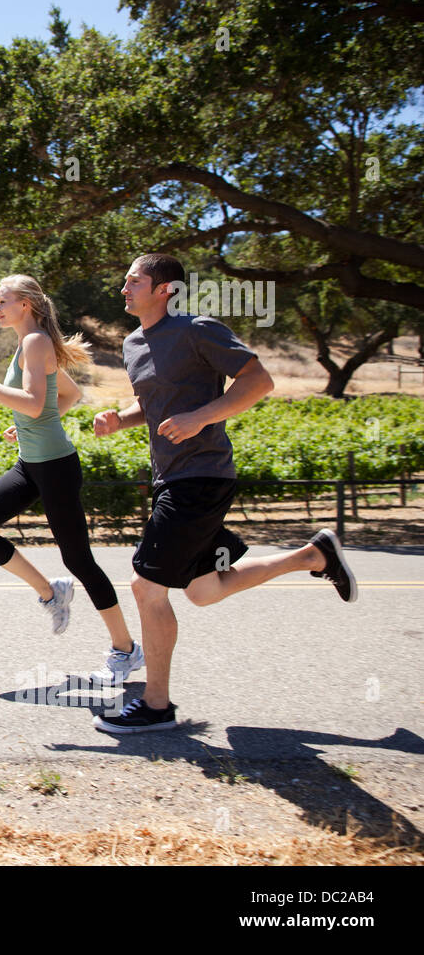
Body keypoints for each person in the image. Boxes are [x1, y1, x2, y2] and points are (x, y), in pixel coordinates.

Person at [91, 253, 357, 734]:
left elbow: (259, 380)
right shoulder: (133, 344)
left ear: (166, 289)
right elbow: (152, 404)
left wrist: (202, 417)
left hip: (201, 476)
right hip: (171, 476)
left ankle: (156, 706)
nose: (124, 288)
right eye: (124, 280)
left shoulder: (197, 329)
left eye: (134, 280)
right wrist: (119, 419)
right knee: (203, 589)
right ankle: (314, 556)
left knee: (145, 586)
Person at [0, 274, 142, 685]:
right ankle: (51, 591)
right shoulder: (30, 344)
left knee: (80, 561)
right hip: (30, 463)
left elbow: (37, 404)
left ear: (27, 305)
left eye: (3, 301)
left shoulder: (35, 342)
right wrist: (27, 424)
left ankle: (126, 649)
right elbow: (66, 397)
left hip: (55, 466)